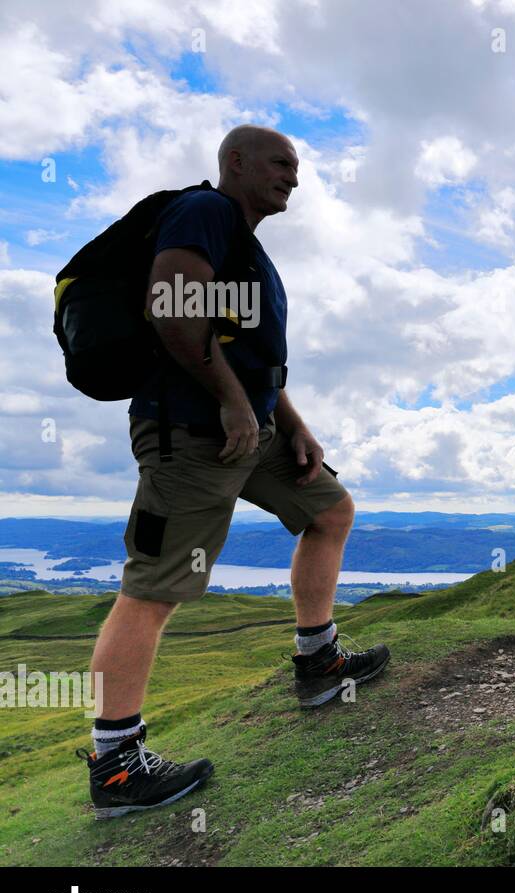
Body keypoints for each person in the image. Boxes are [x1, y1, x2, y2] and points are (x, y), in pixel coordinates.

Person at [77, 125, 390, 821]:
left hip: (250, 424)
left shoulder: (243, 245)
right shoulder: (205, 212)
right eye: (281, 164)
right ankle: (117, 765)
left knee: (329, 510)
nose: (295, 178)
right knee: (156, 586)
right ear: (236, 162)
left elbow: (249, 352)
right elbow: (172, 307)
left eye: (298, 167)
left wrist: (292, 423)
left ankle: (318, 663)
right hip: (193, 433)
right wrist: (230, 402)